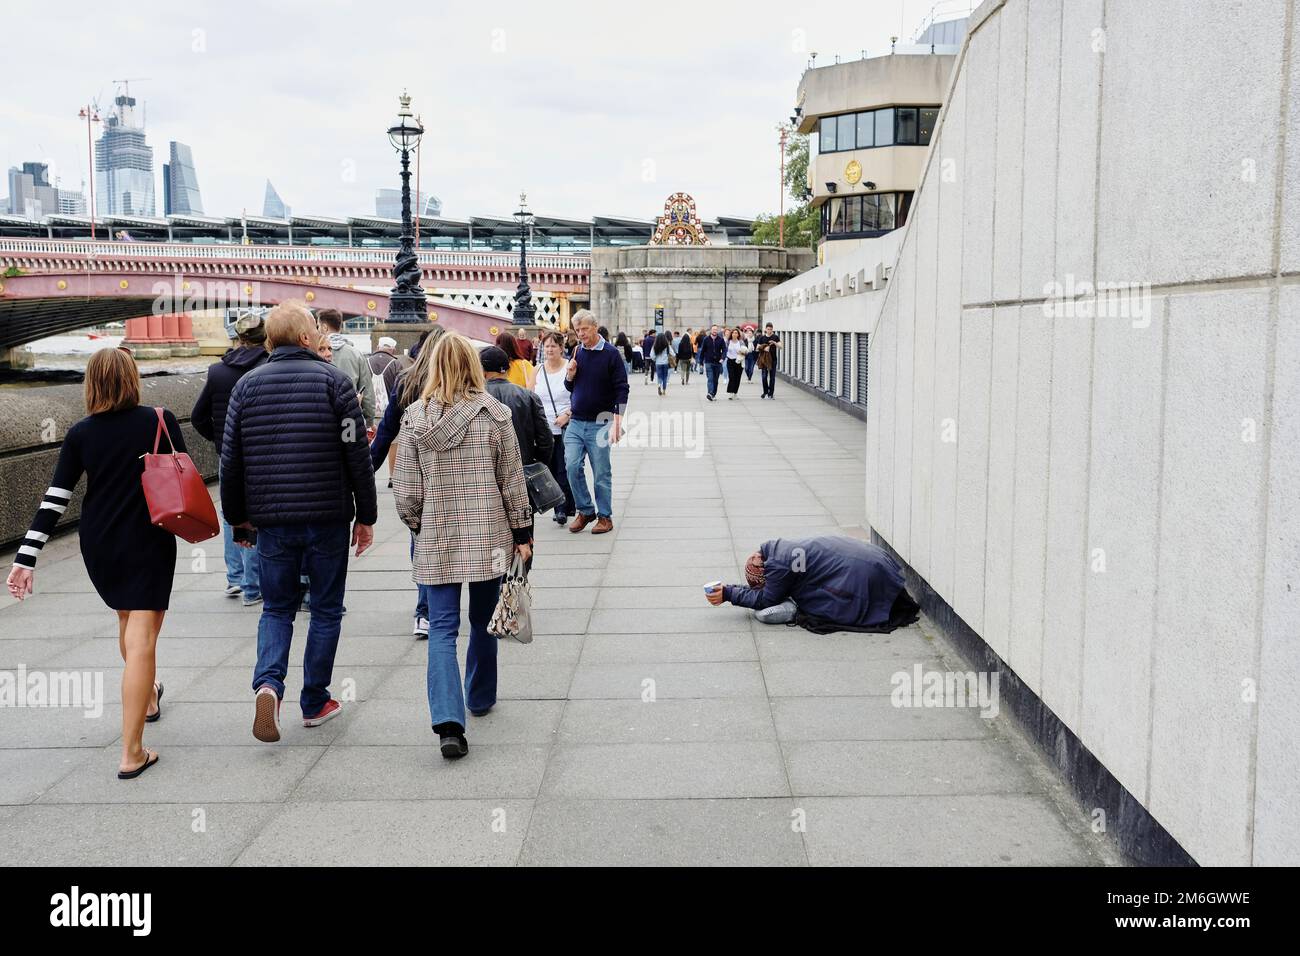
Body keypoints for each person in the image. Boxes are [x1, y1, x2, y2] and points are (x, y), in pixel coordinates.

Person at [7, 348, 181, 779]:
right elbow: (180, 475)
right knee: (143, 637)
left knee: (127, 621)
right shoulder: (159, 420)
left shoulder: (82, 433)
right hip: (149, 536)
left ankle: (150, 698)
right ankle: (132, 753)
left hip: (100, 540)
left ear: (91, 384)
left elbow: (55, 498)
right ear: (132, 379)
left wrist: (25, 558)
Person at [221, 301, 377, 743]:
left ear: (271, 340)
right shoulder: (336, 383)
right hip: (327, 516)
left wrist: (239, 519)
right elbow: (355, 455)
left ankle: (269, 684)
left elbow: (231, 461)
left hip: (273, 521)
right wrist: (365, 516)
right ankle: (314, 700)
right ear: (308, 338)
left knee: (276, 608)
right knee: (326, 608)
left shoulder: (246, 388)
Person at [392, 332, 533, 760]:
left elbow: (406, 491)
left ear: (434, 366)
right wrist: (523, 532)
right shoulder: (495, 414)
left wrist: (421, 523)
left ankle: (449, 721)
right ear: (473, 366)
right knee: (484, 619)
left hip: (438, 536)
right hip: (490, 535)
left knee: (441, 628)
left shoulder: (415, 418)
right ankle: (480, 695)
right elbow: (512, 481)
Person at [370, 326, 446, 637]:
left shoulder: (407, 380)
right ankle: (447, 604)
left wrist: (366, 473)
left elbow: (386, 431)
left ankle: (425, 611)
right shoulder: (459, 381)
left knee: (420, 538)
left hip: (414, 470)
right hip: (453, 472)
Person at [191, 314, 268, 607]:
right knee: (257, 513)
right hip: (260, 453)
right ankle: (252, 584)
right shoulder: (268, 367)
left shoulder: (217, 371)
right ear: (264, 337)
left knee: (231, 512)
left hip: (228, 453)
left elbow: (198, 417)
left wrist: (221, 439)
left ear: (237, 337)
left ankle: (234, 577)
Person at [705, 536, 920, 632]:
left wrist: (728, 595)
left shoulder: (780, 567)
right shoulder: (777, 552)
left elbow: (766, 599)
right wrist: (729, 589)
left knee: (826, 607)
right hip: (875, 558)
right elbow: (767, 590)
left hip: (867, 573)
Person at [564, 309, 628, 534]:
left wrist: (618, 421)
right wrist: (570, 375)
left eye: (584, 329)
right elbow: (570, 387)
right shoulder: (576, 352)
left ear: (595, 327)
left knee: (601, 472)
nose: (580, 334)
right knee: (571, 466)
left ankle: (604, 516)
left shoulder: (610, 354)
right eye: (577, 330)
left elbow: (622, 388)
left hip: (601, 422)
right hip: (576, 421)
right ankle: (585, 510)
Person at [480, 346, 553, 467]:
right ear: (507, 368)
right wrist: (537, 463)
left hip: (486, 471)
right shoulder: (529, 396)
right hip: (523, 467)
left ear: (482, 371)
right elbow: (545, 440)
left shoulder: (474, 397)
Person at [533, 331, 576, 524]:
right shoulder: (537, 370)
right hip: (543, 429)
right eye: (546, 346)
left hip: (566, 426)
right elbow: (530, 398)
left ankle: (563, 508)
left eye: (553, 346)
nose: (549, 350)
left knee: (564, 469)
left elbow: (579, 396)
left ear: (561, 348)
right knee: (548, 470)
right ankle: (558, 506)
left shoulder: (570, 368)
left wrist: (567, 414)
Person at [316, 308, 374, 430]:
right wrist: (369, 421)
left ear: (324, 327)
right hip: (350, 418)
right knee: (351, 445)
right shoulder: (356, 354)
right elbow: (367, 391)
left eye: (318, 326)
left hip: (323, 417)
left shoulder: (315, 351)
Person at [368, 335, 402, 419]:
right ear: (393, 350)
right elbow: (400, 388)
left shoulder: (366, 361)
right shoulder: (396, 364)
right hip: (389, 412)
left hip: (369, 410)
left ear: (377, 347)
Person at [699, 324, 727, 401]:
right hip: (708, 362)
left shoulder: (720, 339)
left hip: (718, 362)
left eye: (716, 329)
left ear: (717, 331)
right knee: (710, 378)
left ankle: (713, 394)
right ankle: (710, 393)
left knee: (715, 380)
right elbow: (702, 351)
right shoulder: (706, 339)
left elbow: (724, 350)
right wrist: (701, 363)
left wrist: (722, 358)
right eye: (713, 329)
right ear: (711, 330)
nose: (714, 331)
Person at [754, 322, 782, 399]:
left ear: (772, 329)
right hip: (764, 360)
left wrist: (774, 343)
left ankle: (771, 393)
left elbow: (781, 347)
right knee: (764, 377)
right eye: (768, 329)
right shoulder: (762, 338)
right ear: (765, 329)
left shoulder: (775, 337)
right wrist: (764, 348)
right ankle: (765, 391)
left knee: (772, 377)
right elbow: (757, 348)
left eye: (771, 329)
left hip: (773, 360)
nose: (769, 330)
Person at [725, 328, 748, 400]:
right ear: (731, 334)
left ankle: (735, 393)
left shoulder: (741, 342)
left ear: (738, 334)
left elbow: (746, 352)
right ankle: (731, 392)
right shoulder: (728, 342)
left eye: (736, 333)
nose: (734, 334)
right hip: (730, 361)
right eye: (733, 333)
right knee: (731, 377)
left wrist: (741, 352)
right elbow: (724, 350)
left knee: (737, 378)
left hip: (738, 361)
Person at [651, 331, 674, 395]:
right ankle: (664, 390)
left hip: (658, 363)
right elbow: (673, 354)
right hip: (665, 363)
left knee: (659, 376)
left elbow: (652, 355)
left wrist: (655, 359)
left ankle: (659, 385)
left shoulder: (655, 346)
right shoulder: (667, 346)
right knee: (665, 377)